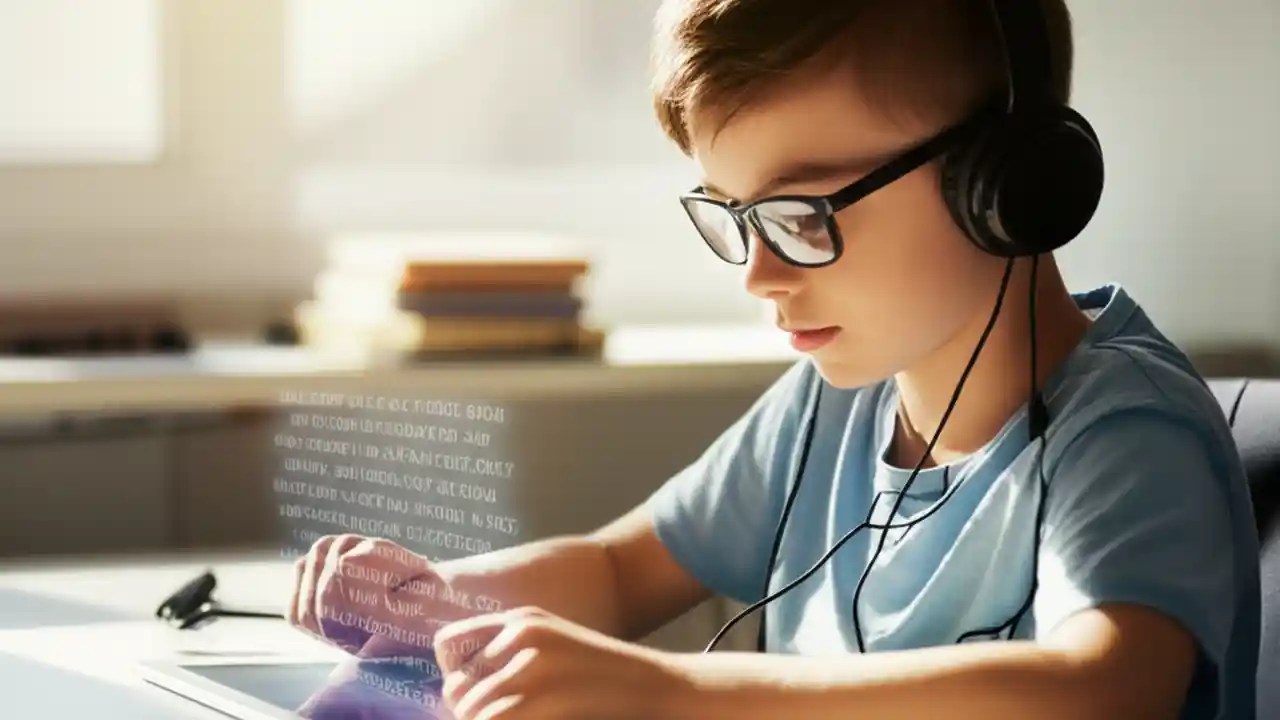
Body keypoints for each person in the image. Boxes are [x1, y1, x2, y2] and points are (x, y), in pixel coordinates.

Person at [286, 0, 1261, 718]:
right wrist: (440, 601)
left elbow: (1097, 685)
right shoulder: (829, 406)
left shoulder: (1123, 432)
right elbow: (623, 571)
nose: (755, 274)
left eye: (799, 217)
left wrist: (674, 693)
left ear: (1002, 187)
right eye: (732, 217)